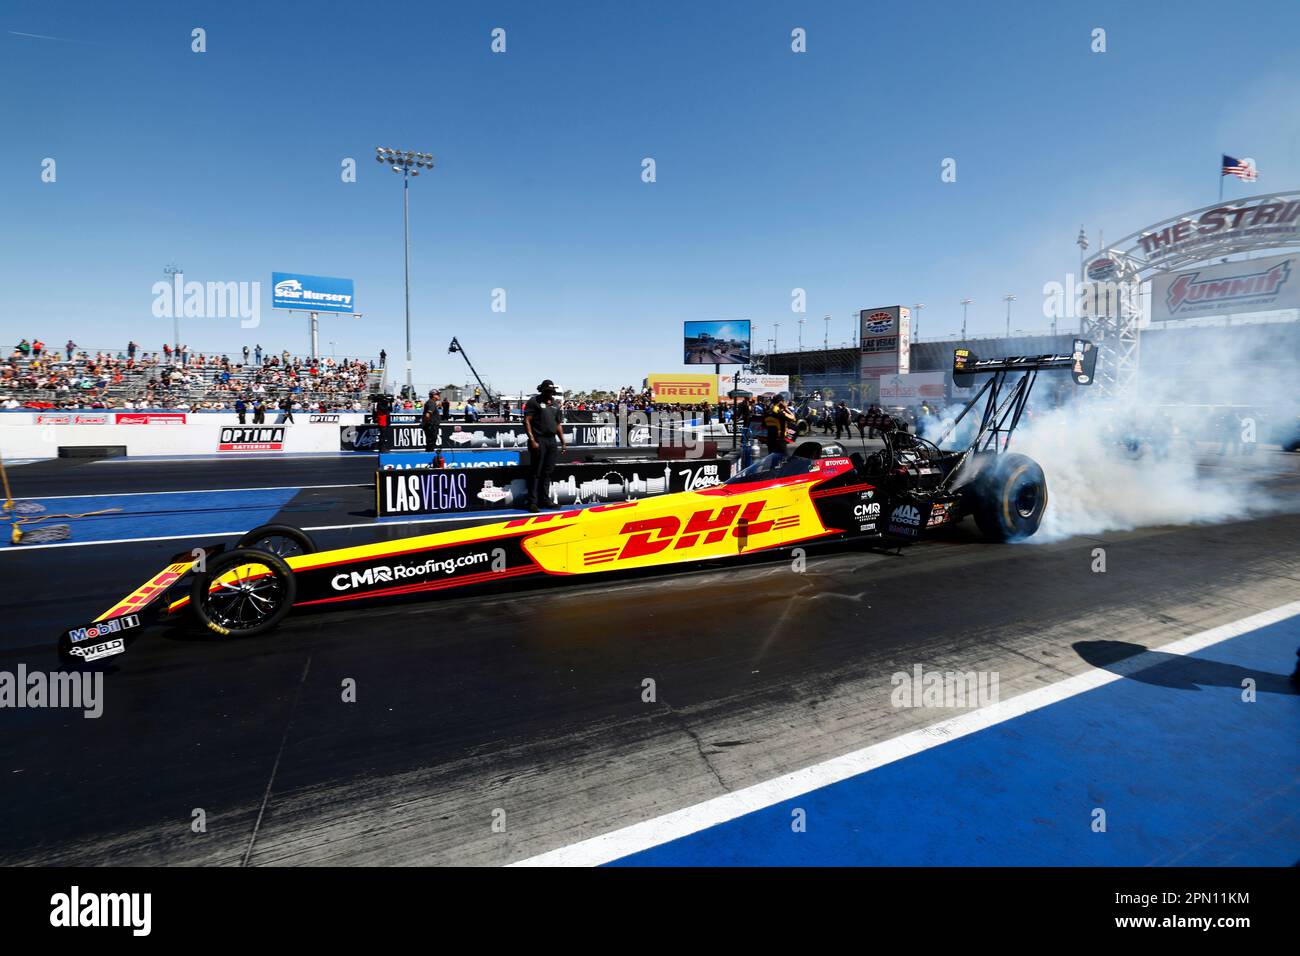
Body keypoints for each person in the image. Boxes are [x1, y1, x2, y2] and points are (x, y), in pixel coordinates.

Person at [524, 379, 566, 512]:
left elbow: (558, 424)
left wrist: (563, 441)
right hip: (538, 439)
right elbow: (527, 421)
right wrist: (532, 440)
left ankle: (545, 500)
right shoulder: (534, 401)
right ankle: (532, 502)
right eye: (547, 391)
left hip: (551, 441)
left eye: (551, 391)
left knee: (547, 472)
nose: (549, 393)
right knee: (536, 472)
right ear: (542, 390)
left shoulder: (555, 404)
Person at [422, 389, 441, 453]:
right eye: (437, 394)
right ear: (433, 395)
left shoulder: (431, 402)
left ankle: (429, 453)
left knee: (430, 442)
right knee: (431, 442)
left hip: (431, 425)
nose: (439, 395)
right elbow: (427, 415)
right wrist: (429, 424)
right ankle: (429, 455)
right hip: (431, 426)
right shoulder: (431, 402)